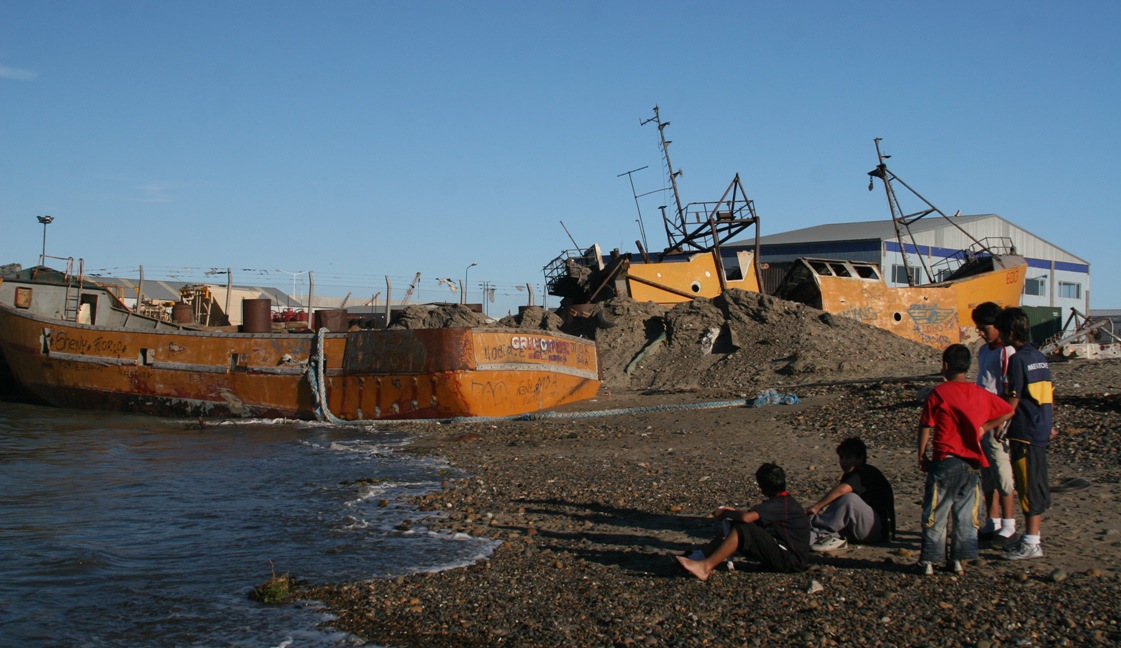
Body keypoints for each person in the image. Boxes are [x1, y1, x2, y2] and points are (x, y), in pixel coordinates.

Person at [917, 344, 1014, 575]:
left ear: (946, 366)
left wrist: (921, 454)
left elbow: (926, 425)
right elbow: (1008, 410)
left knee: (936, 511)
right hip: (971, 463)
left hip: (945, 459)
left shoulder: (939, 392)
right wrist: (986, 427)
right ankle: (958, 560)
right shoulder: (980, 393)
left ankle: (929, 560)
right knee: (965, 514)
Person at [996, 306, 1058, 560]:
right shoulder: (1040, 356)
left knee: (1028, 484)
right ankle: (1030, 537)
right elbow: (1047, 394)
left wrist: (996, 424)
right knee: (1036, 482)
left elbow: (1014, 398)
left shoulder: (1018, 360)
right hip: (1040, 426)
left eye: (1002, 332)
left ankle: (1032, 541)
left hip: (1025, 431)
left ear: (1011, 333)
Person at [676, 463, 811, 580]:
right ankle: (699, 556)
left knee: (743, 529)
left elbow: (747, 517)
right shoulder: (783, 502)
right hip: (787, 555)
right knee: (736, 526)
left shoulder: (780, 504)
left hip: (791, 561)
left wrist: (727, 512)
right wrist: (733, 513)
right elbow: (750, 516)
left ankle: (705, 567)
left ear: (762, 488)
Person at [972, 301, 1018, 541]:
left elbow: (1008, 388)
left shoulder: (1006, 352)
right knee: (987, 470)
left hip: (996, 417)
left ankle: (1008, 521)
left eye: (984, 328)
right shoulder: (983, 350)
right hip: (981, 415)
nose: (980, 333)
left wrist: (1002, 419)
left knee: (1002, 469)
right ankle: (993, 519)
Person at [806, 437, 895, 551]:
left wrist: (816, 507)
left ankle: (816, 527)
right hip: (859, 527)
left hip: (879, 530)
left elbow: (843, 490)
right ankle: (809, 536)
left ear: (860, 458)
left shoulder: (865, 472)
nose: (843, 461)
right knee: (836, 519)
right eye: (841, 457)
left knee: (849, 499)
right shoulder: (848, 475)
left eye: (848, 457)